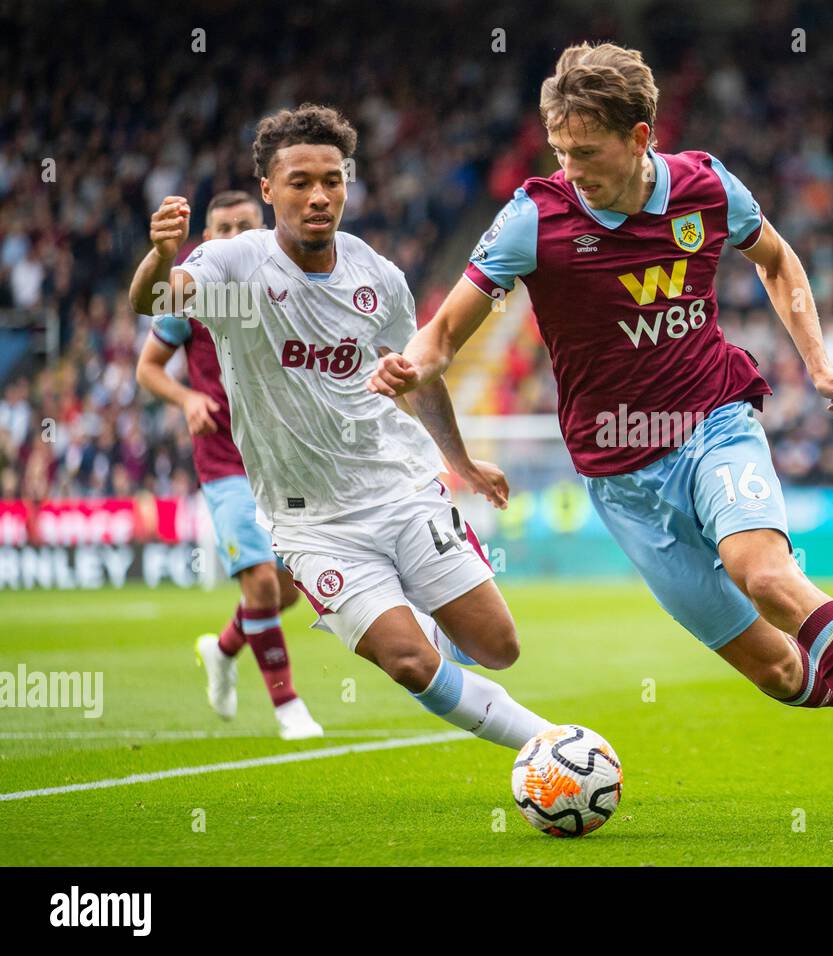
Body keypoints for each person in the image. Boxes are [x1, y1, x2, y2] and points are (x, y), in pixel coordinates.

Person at [372, 45, 833, 828]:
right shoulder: (534, 219)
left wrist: (821, 364)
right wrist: (411, 363)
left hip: (714, 419)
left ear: (640, 136)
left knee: (764, 574)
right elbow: (445, 331)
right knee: (778, 671)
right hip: (621, 478)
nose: (570, 168)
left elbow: (779, 260)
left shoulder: (704, 187)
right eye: (560, 151)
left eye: (585, 152)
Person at [128, 103, 551, 752]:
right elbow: (154, 300)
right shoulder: (234, 266)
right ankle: (548, 743)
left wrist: (460, 462)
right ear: (268, 190)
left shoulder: (377, 279)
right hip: (311, 520)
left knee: (499, 648)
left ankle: (422, 622)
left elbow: (421, 376)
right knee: (409, 662)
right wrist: (161, 256)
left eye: (332, 179)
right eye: (300, 182)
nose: (319, 195)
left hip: (401, 488)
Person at [136, 190, 322, 740]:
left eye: (246, 226)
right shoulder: (190, 300)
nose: (235, 236)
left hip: (284, 462)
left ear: (263, 228)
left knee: (289, 589)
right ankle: (289, 707)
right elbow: (149, 369)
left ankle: (222, 651)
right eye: (223, 228)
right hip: (226, 463)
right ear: (206, 239)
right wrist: (187, 399)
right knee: (262, 584)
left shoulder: (286, 288)